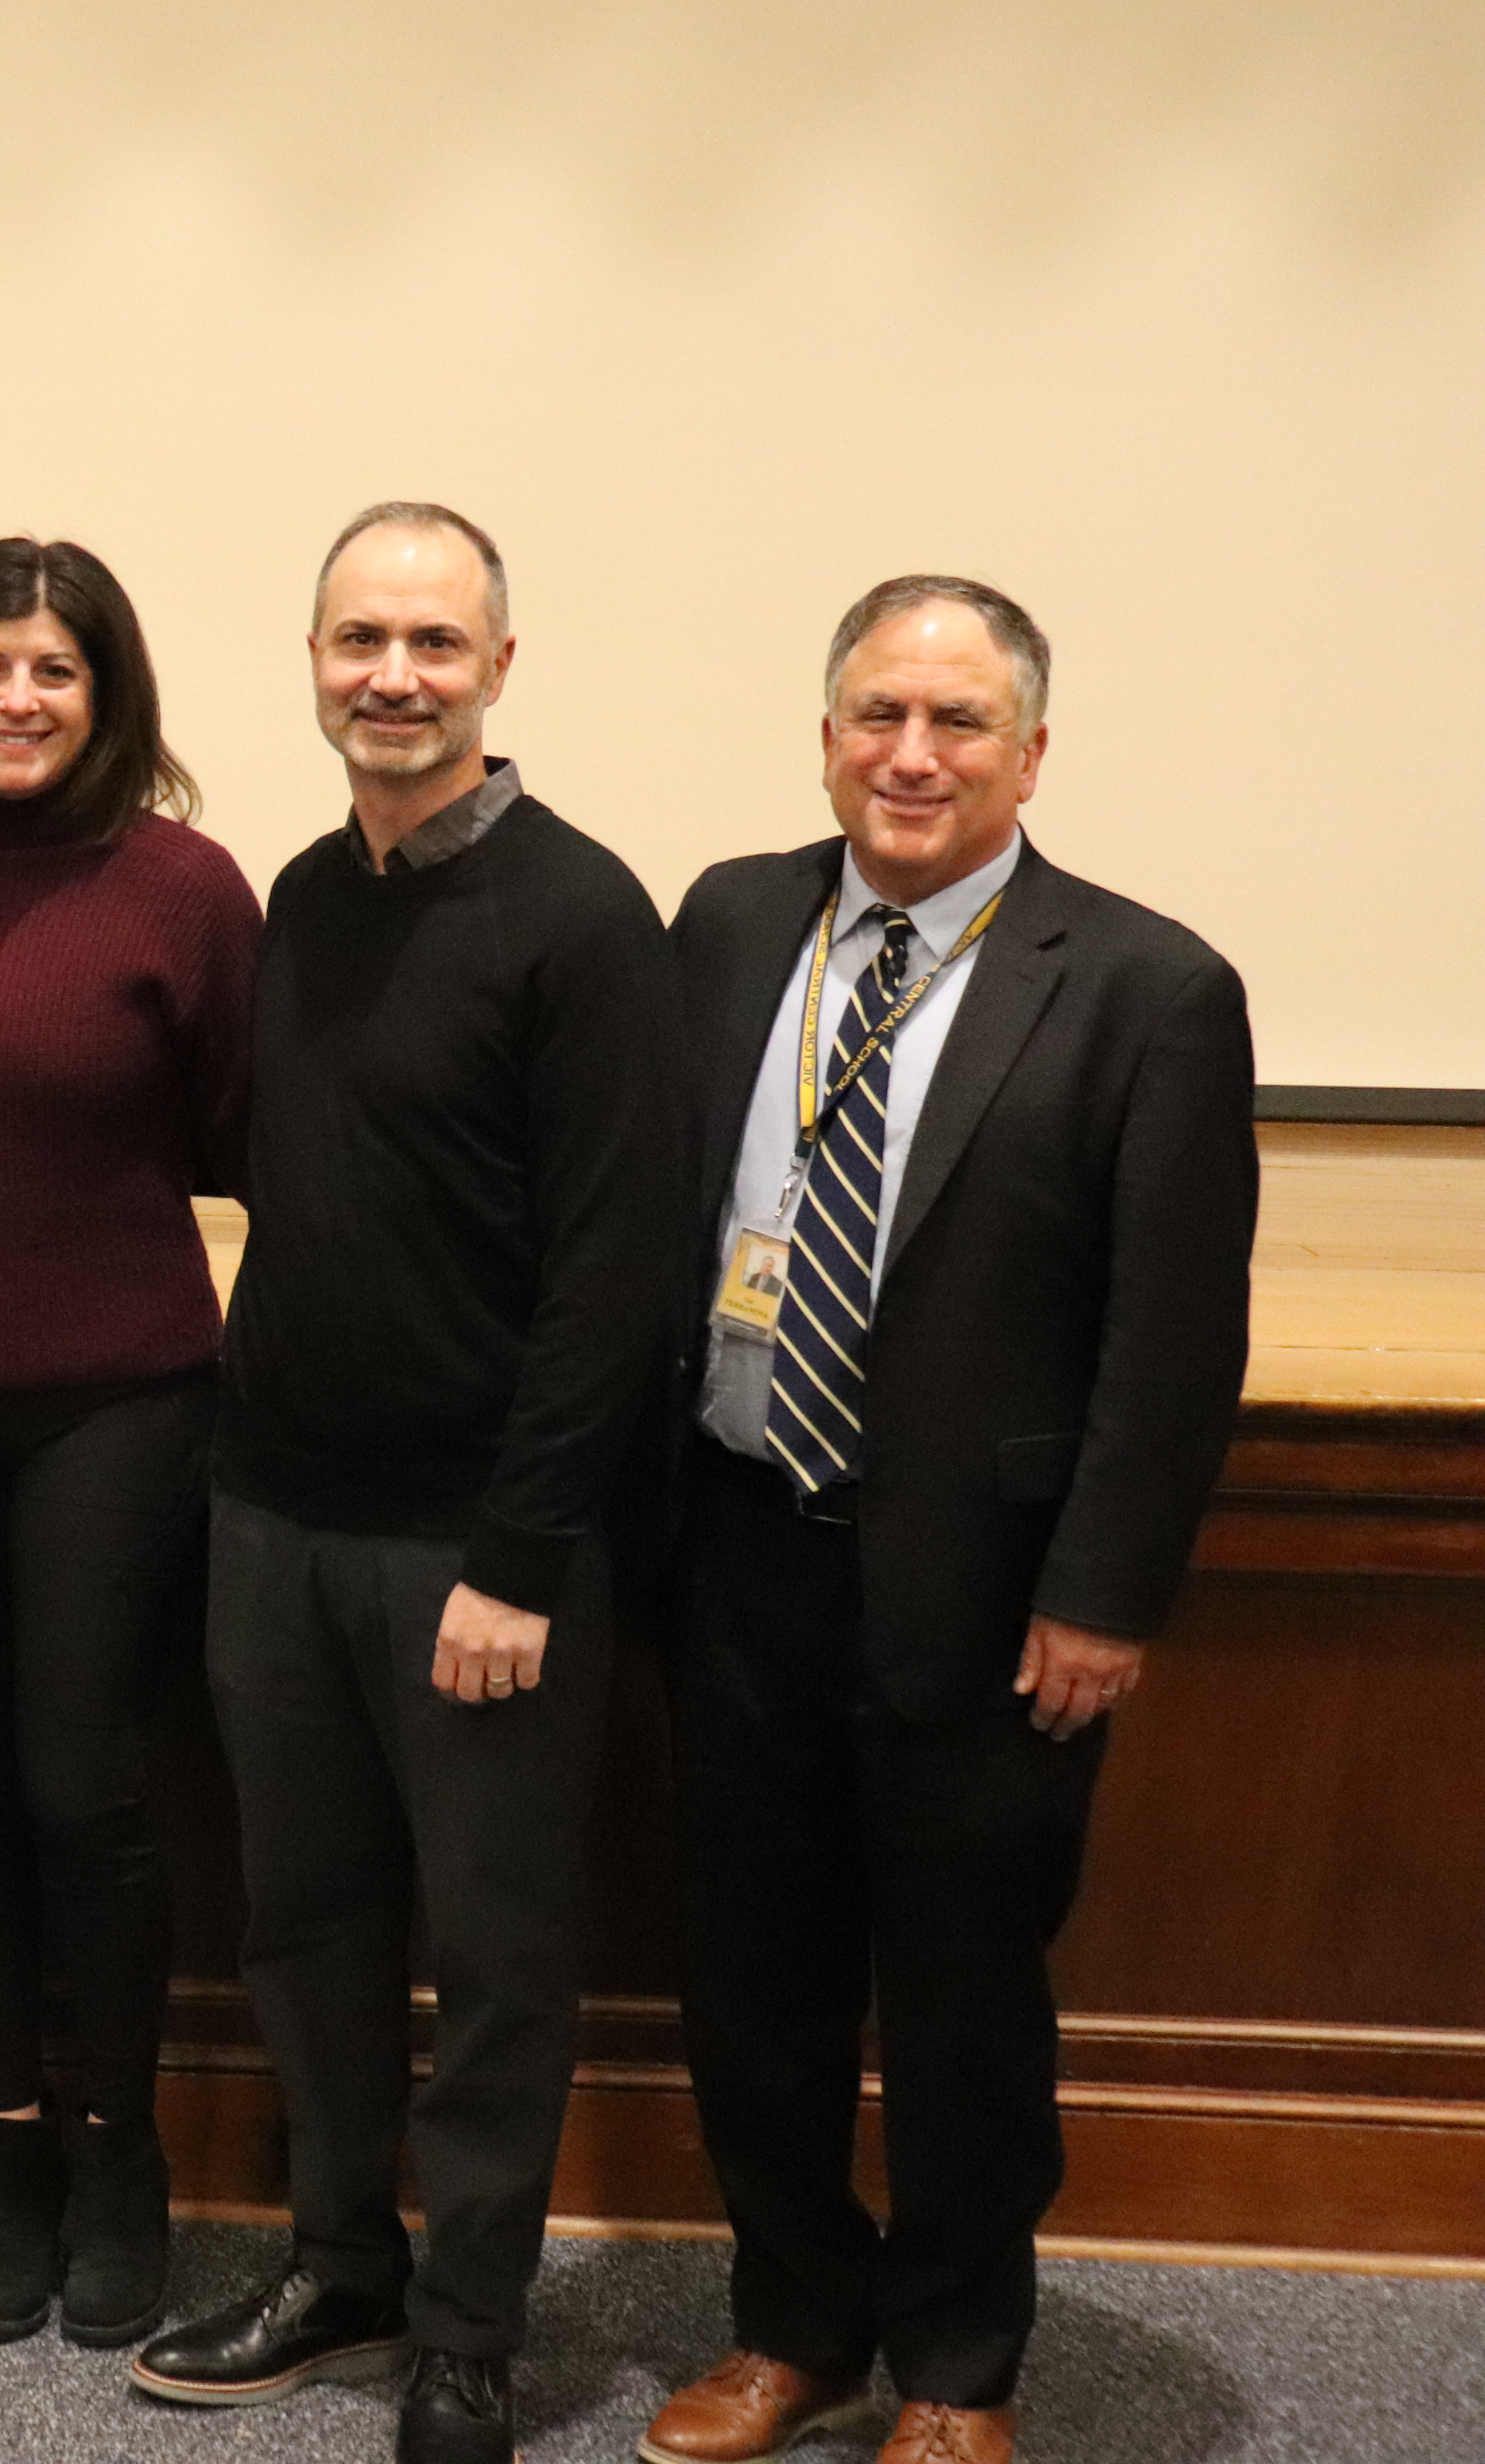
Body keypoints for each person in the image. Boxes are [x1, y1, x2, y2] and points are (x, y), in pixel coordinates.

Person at [635, 580, 1253, 2464]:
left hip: (995, 1607)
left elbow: (1175, 1336)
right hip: (738, 1554)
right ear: (825, 737)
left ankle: (960, 2369)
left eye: (959, 723)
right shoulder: (735, 921)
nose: (911, 755)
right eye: (877, 715)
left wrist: (1104, 1596)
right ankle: (791, 2325)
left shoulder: (1147, 985)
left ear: (1031, 755)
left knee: (969, 2006)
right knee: (754, 1989)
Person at [131, 504, 682, 2464]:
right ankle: (340, 2261)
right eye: (360, 638)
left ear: (501, 672)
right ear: (311, 657)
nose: (394, 676)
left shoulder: (584, 919)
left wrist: (522, 1557)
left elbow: (618, 1278)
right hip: (273, 1521)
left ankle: (468, 2329)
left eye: (435, 645)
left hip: (483, 1553)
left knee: (498, 1955)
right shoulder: (306, 889)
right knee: (308, 1930)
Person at [0, 538, 257, 2348]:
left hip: (122, 1402)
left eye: (56, 672)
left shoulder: (183, 886)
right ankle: (11, 2153)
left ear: (111, 696)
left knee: (82, 1788)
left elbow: (255, 1133)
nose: (18, 700)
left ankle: (122, 2156)